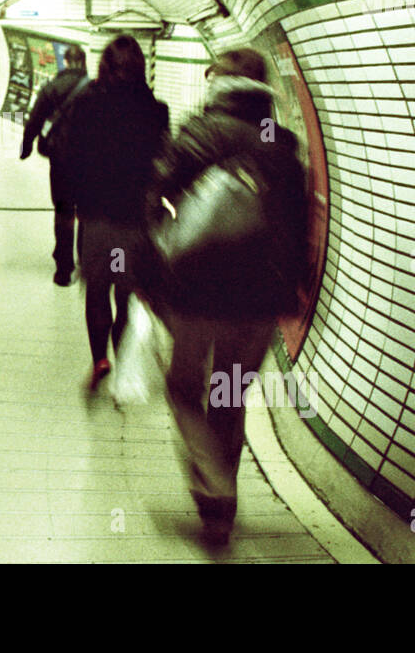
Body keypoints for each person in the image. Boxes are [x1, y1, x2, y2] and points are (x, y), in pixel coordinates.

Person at [142, 48, 308, 547]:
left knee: (183, 389)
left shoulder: (200, 132)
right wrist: (287, 287)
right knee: (229, 395)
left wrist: (155, 263)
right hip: (258, 301)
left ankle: (216, 486)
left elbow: (153, 196)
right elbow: (297, 225)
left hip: (198, 292)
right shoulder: (281, 143)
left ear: (219, 84)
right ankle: (219, 516)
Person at [62, 36, 168, 387]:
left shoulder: (86, 104)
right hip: (133, 223)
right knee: (124, 293)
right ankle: (122, 360)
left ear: (104, 65)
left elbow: (71, 157)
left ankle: (100, 360)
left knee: (97, 290)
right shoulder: (156, 111)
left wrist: (74, 203)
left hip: (96, 219)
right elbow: (162, 164)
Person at [20, 45, 88, 285]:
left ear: (66, 62)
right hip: (88, 161)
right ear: (84, 62)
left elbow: (35, 119)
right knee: (86, 211)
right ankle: (85, 262)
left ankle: (63, 269)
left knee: (63, 212)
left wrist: (26, 146)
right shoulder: (95, 88)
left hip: (61, 160)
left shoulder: (51, 88)